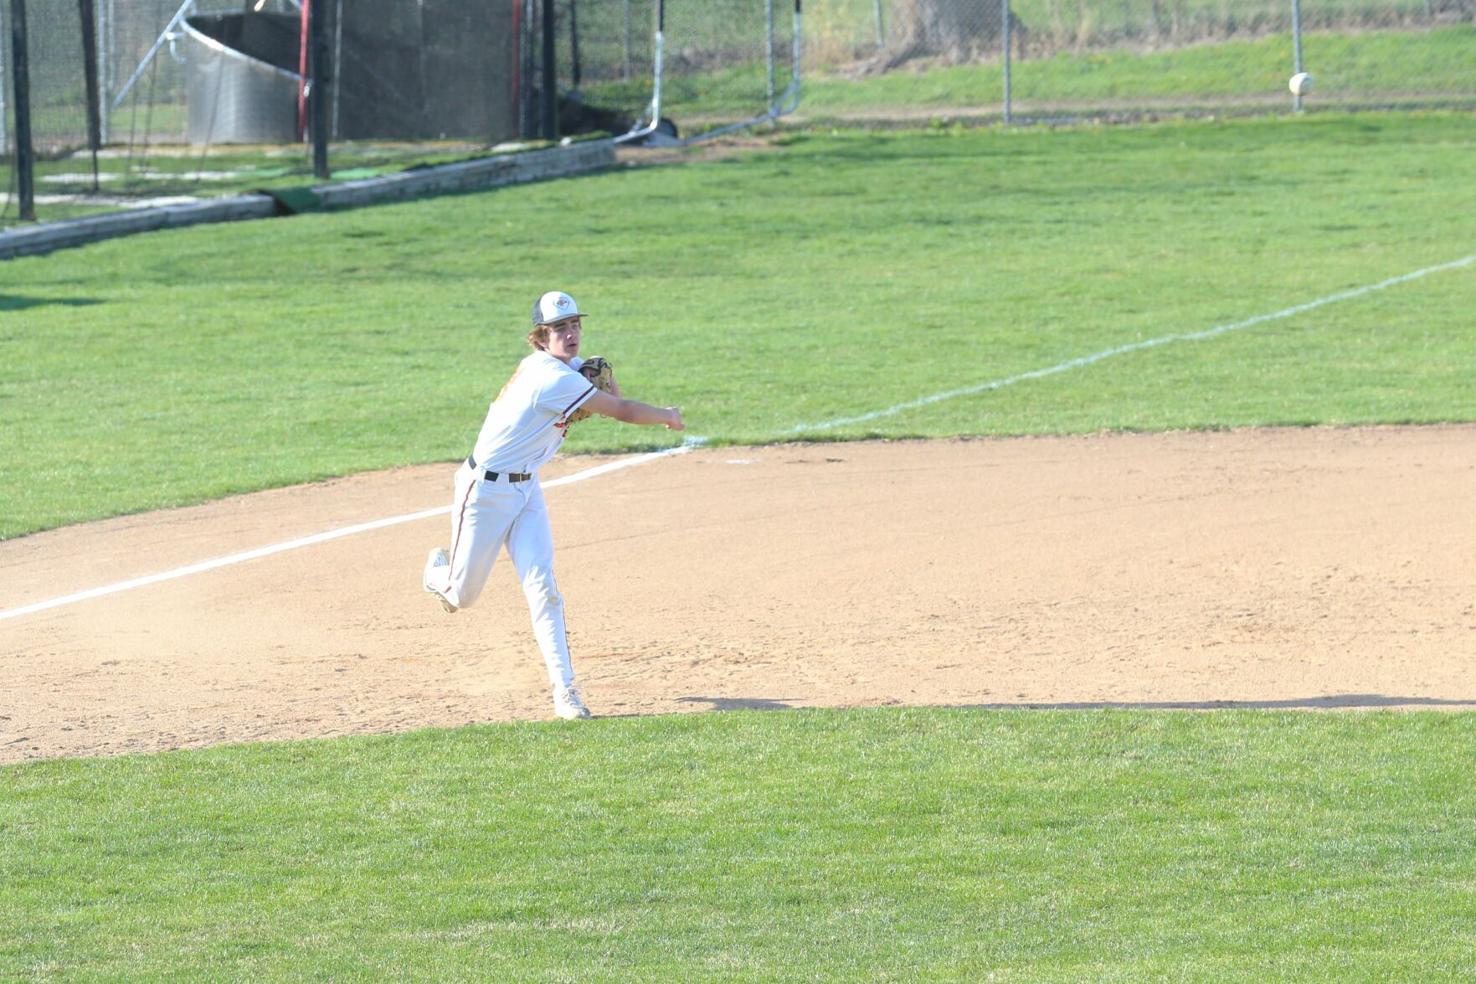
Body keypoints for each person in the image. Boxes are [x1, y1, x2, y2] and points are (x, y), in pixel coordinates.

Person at [422, 290, 684, 720]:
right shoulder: (551, 379)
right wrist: (666, 414)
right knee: (461, 596)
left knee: (543, 588)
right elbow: (618, 408)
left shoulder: (563, 369)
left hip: (526, 492)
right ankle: (438, 574)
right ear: (541, 338)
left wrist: (595, 375)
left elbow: (601, 385)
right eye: (559, 327)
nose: (571, 332)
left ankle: (566, 692)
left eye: (575, 324)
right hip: (483, 494)